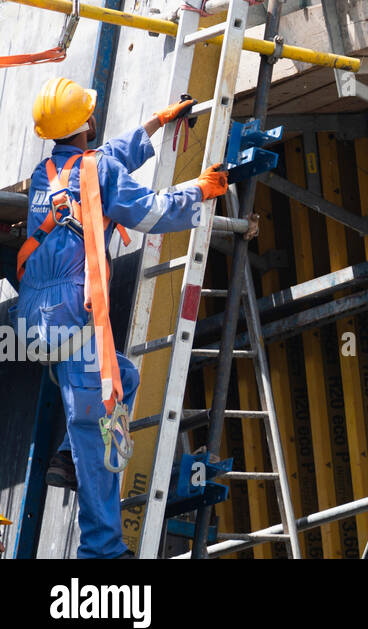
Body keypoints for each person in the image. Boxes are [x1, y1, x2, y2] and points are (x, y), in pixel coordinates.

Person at [13, 76, 228, 558]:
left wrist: (155, 123)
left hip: (39, 320)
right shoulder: (96, 170)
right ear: (86, 119)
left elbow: (103, 160)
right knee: (98, 438)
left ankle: (66, 459)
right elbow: (150, 213)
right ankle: (102, 551)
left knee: (122, 380)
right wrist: (200, 192)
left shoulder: (47, 173)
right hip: (77, 314)